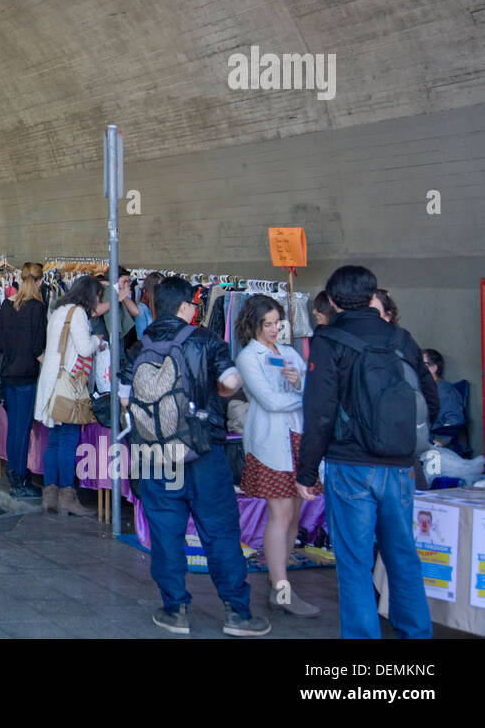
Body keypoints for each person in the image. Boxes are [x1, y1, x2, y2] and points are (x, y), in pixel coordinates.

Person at [120, 276, 269, 636]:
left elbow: (124, 398)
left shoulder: (140, 346)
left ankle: (175, 610)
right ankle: (237, 613)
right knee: (219, 532)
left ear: (156, 307)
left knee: (166, 534)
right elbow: (232, 383)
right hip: (204, 454)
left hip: (156, 456)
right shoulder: (207, 341)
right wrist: (207, 401)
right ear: (187, 306)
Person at [297, 265, 439, 639]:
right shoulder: (401, 338)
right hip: (399, 466)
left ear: (331, 300)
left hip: (350, 465)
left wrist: (306, 472)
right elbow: (430, 398)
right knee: (402, 557)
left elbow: (319, 413)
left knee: (355, 562)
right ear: (372, 294)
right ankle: (416, 634)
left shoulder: (328, 341)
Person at [233, 294, 319, 617]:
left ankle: (277, 580)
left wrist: (301, 385)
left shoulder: (289, 352)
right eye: (266, 324)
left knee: (293, 514)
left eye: (276, 323)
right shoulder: (247, 357)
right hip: (269, 442)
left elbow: (309, 387)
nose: (272, 329)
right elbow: (268, 400)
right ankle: (282, 590)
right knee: (280, 514)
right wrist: (306, 396)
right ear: (252, 324)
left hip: (297, 438)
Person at [33, 274, 100, 516]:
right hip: (67, 386)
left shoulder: (59, 309)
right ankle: (67, 496)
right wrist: (97, 340)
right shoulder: (78, 314)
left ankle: (49, 496)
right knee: (69, 441)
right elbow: (83, 348)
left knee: (53, 440)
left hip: (51, 382)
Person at [0, 263, 48, 500]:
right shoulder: (37, 309)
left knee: (14, 428)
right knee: (22, 430)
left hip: (8, 375)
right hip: (26, 376)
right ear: (40, 282)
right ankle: (21, 480)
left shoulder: (7, 305)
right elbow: (38, 349)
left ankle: (13, 472)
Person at [422, 349, 467, 451]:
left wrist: (437, 444)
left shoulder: (444, 390)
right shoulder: (422, 389)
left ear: (434, 368)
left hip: (438, 446)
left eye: (422, 364)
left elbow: (453, 420)